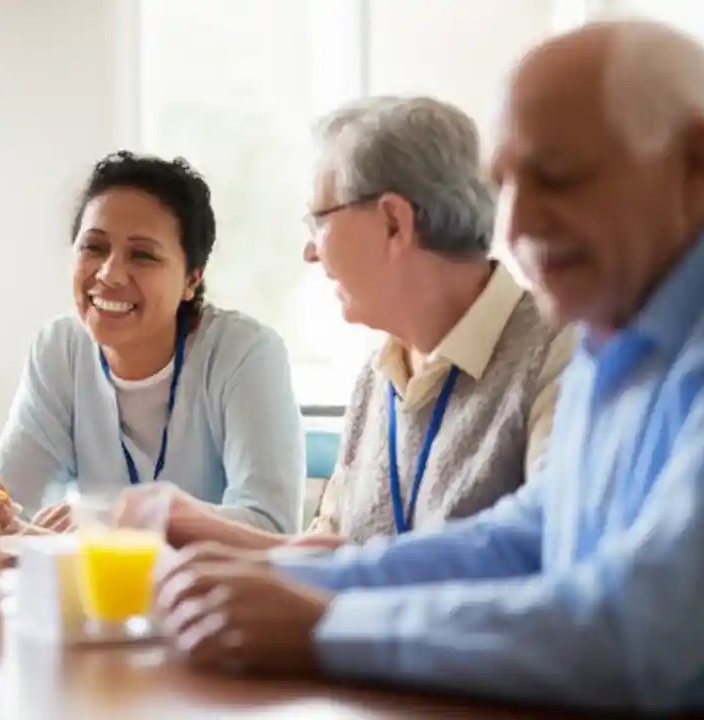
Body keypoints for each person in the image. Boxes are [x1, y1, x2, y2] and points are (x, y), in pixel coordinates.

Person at [154, 20, 704, 715]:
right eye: (504, 185)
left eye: (557, 177)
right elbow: (529, 535)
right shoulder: (620, 321)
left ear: (694, 162)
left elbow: (638, 632)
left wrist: (324, 623)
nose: (516, 224)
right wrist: (297, 576)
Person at [140, 97, 571, 551]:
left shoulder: (558, 356)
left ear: (392, 223)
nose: (310, 252)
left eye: (319, 221)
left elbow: (544, 557)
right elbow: (328, 554)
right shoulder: (377, 378)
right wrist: (193, 534)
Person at [0, 151, 305, 543]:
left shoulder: (245, 353)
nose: (109, 274)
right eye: (94, 248)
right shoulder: (59, 349)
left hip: (213, 594)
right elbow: (13, 510)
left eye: (142, 255)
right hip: (98, 592)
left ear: (191, 281)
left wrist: (116, 518)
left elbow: (272, 529)